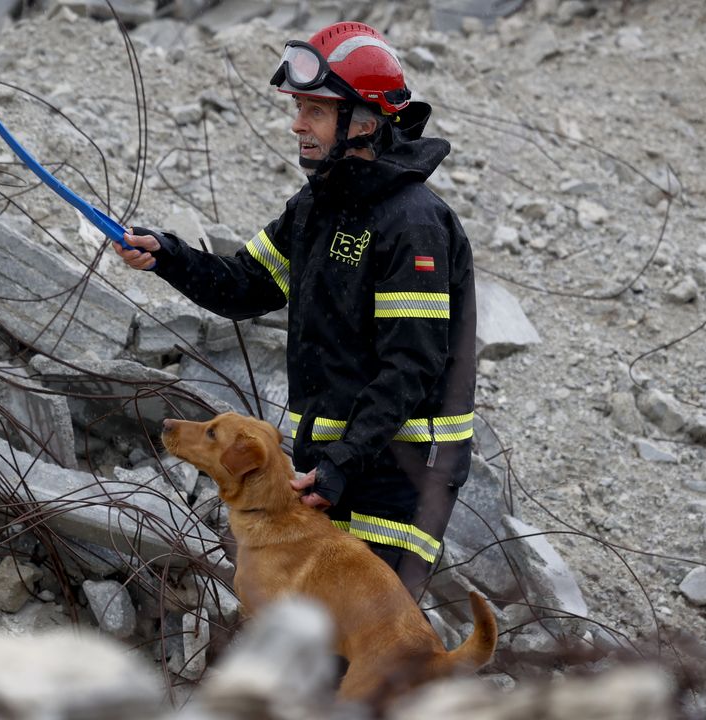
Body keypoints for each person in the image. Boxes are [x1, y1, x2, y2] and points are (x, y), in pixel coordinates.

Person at [114, 21, 476, 599]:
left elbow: (411, 367)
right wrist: (168, 256)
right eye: (299, 107)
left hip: (401, 472)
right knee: (311, 625)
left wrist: (343, 463)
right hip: (333, 461)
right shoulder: (317, 206)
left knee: (367, 628)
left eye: (315, 110)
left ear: (364, 121)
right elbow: (247, 286)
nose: (297, 124)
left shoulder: (413, 223)